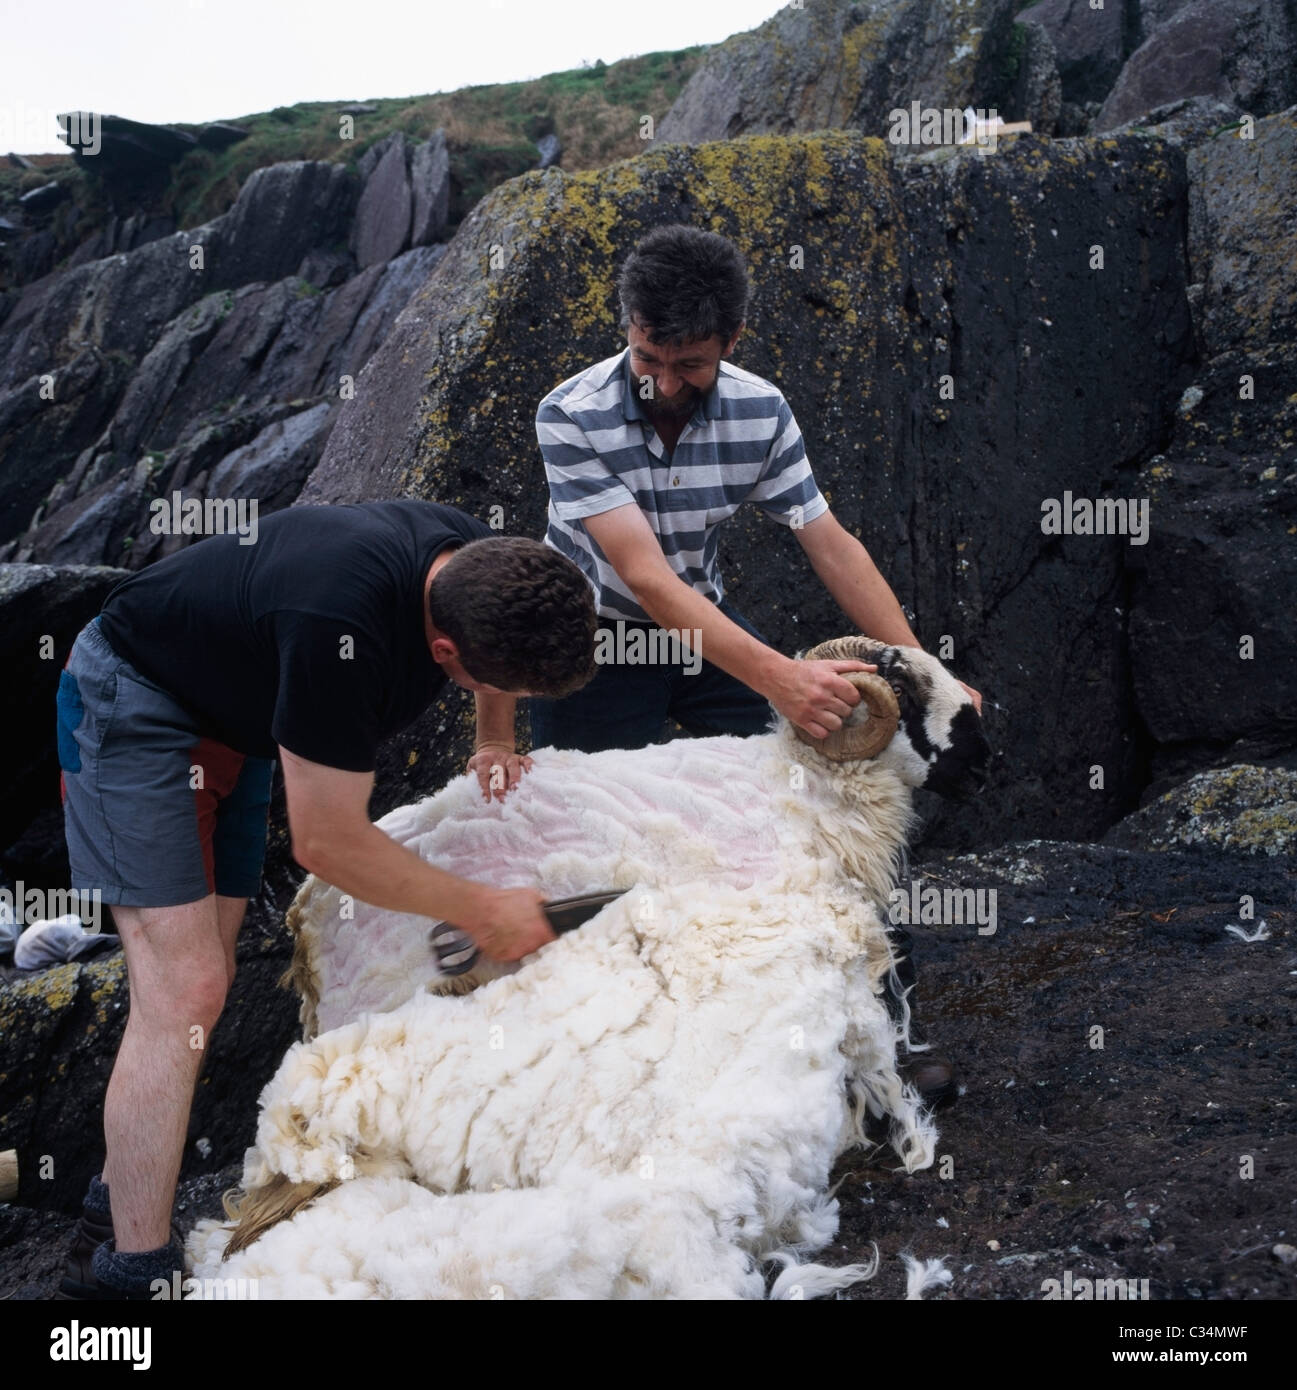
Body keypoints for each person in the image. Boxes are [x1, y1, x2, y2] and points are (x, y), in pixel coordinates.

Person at [54, 500, 596, 1299]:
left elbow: (494, 659)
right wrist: (484, 909)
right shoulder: (338, 627)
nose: (502, 694)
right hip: (134, 700)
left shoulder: (489, 564)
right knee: (184, 991)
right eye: (495, 686)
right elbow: (327, 844)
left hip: (238, 718)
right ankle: (128, 1279)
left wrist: (494, 736)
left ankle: (113, 1204)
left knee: (206, 987)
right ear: (444, 650)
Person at [527, 224, 984, 1106]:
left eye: (689, 363)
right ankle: (601, 1076)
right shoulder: (569, 412)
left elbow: (830, 546)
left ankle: (881, 1048)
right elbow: (643, 577)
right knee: (584, 849)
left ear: (731, 343)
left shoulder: (761, 409)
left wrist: (923, 673)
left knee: (825, 816)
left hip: (709, 635)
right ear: (628, 323)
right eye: (648, 355)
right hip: (594, 643)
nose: (663, 381)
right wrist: (778, 676)